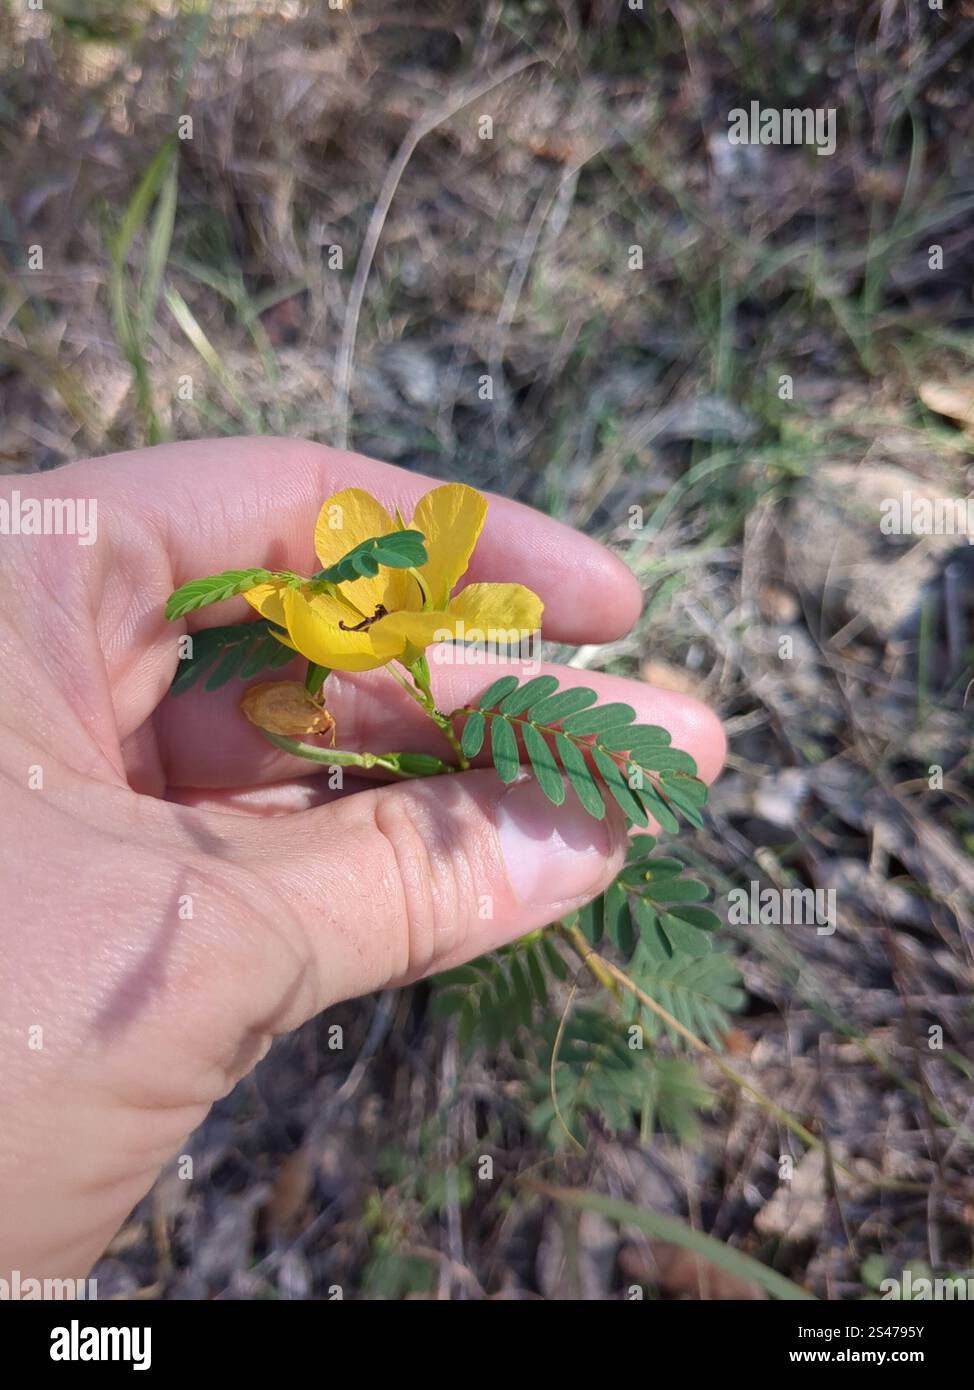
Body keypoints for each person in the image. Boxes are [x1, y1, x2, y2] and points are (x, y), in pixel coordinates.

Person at [0, 436, 725, 1279]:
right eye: (364, 600)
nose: (373, 596)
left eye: (384, 589)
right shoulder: (355, 634)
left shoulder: (430, 611)